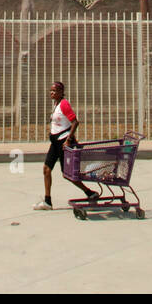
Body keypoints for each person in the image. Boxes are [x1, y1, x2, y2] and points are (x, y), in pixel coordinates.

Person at [33, 81, 99, 210]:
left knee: (67, 174)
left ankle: (89, 193)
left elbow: (75, 122)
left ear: (61, 92)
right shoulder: (56, 104)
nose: (51, 93)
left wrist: (68, 140)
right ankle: (47, 202)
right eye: (50, 90)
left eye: (54, 91)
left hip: (63, 143)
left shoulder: (64, 104)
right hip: (55, 143)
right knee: (46, 169)